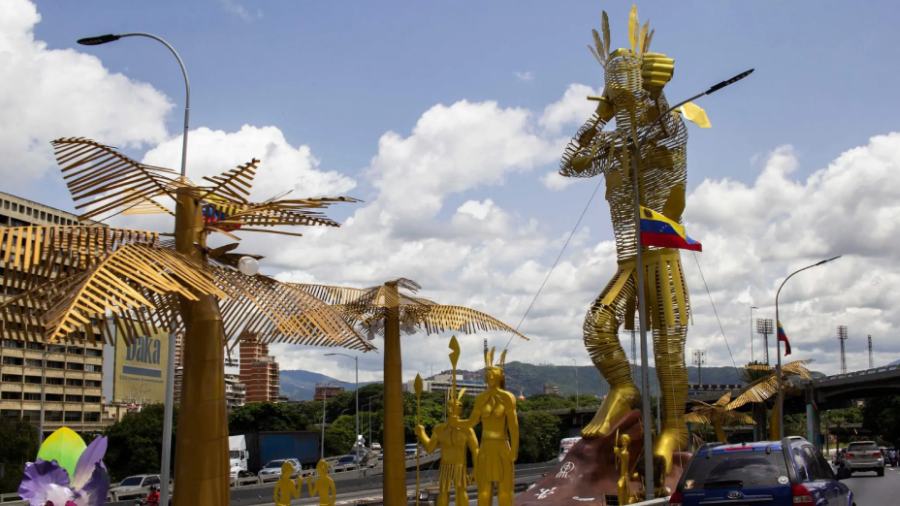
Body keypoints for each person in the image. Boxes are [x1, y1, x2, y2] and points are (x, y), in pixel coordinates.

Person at [558, 5, 695, 483]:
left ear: (640, 80)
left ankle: (675, 428)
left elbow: (677, 165)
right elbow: (568, 165)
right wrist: (599, 117)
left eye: (625, 75)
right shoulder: (613, 144)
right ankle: (625, 389)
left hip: (660, 255)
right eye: (610, 78)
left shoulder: (664, 125)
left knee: (668, 345)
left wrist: (657, 106)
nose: (617, 83)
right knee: (597, 326)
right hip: (627, 260)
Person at [461, 348, 519, 506]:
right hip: (485, 447)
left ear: (500, 376)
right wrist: (457, 422)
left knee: (505, 490)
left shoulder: (507, 397)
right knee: (484, 490)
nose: (490, 376)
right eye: (488, 374)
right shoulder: (480, 398)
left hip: (502, 446)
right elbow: (473, 421)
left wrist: (514, 449)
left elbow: (513, 426)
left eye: (493, 373)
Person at [416, 387, 479, 506]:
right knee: (443, 492)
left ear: (460, 409)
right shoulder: (439, 429)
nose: (451, 409)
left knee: (461, 492)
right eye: (449, 406)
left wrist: (475, 470)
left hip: (460, 466)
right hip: (445, 466)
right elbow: (430, 448)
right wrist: (422, 433)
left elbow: (476, 450)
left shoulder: (467, 429)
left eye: (455, 406)